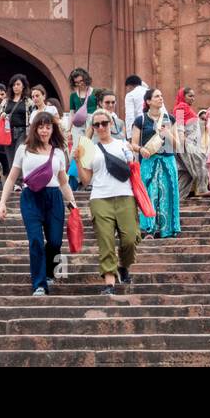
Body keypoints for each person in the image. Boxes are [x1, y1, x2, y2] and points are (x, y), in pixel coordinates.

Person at [0, 111, 77, 296]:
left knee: (55, 241)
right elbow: (11, 178)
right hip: (31, 198)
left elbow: (63, 181)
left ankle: (50, 272)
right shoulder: (23, 150)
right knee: (35, 240)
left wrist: (72, 203)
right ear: (34, 129)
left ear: (53, 129)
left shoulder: (58, 152)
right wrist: (2, 203)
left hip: (54, 198)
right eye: (41, 127)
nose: (44, 131)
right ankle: (39, 284)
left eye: (48, 127)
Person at [76, 107, 139, 294]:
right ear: (93, 128)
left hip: (125, 195)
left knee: (130, 239)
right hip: (100, 198)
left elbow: (132, 170)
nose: (101, 127)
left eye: (104, 123)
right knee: (106, 240)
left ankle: (124, 265)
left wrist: (134, 154)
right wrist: (78, 161)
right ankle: (109, 283)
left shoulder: (123, 144)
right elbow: (86, 181)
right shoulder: (90, 149)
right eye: (97, 125)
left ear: (111, 123)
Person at [130, 87, 181, 238]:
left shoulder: (170, 119)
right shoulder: (141, 120)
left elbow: (178, 145)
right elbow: (133, 144)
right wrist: (141, 150)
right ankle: (149, 229)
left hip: (167, 161)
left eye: (161, 95)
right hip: (148, 161)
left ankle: (168, 229)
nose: (160, 98)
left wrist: (167, 133)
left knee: (168, 194)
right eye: (157, 96)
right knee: (149, 193)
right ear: (148, 101)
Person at [171, 86, 208, 199]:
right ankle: (201, 189)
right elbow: (179, 125)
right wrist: (182, 140)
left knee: (186, 173)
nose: (193, 98)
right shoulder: (180, 107)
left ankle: (176, 198)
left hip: (189, 143)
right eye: (190, 96)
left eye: (194, 96)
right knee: (201, 161)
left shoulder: (186, 108)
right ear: (183, 96)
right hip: (186, 144)